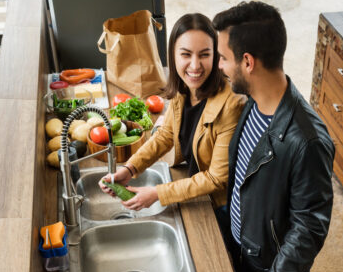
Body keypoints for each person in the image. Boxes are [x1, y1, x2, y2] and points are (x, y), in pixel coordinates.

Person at [212, 1, 334, 272]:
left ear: (248, 62)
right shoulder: (255, 103)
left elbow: (310, 229)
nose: (220, 67)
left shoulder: (307, 140)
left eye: (224, 58)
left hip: (275, 264)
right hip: (248, 246)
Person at [100, 12, 244, 210]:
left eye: (204, 54)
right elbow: (166, 135)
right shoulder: (184, 87)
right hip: (193, 186)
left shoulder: (231, 105)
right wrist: (130, 168)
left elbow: (216, 178)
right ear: (173, 55)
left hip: (220, 204)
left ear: (216, 56)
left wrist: (158, 193)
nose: (195, 65)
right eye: (186, 54)